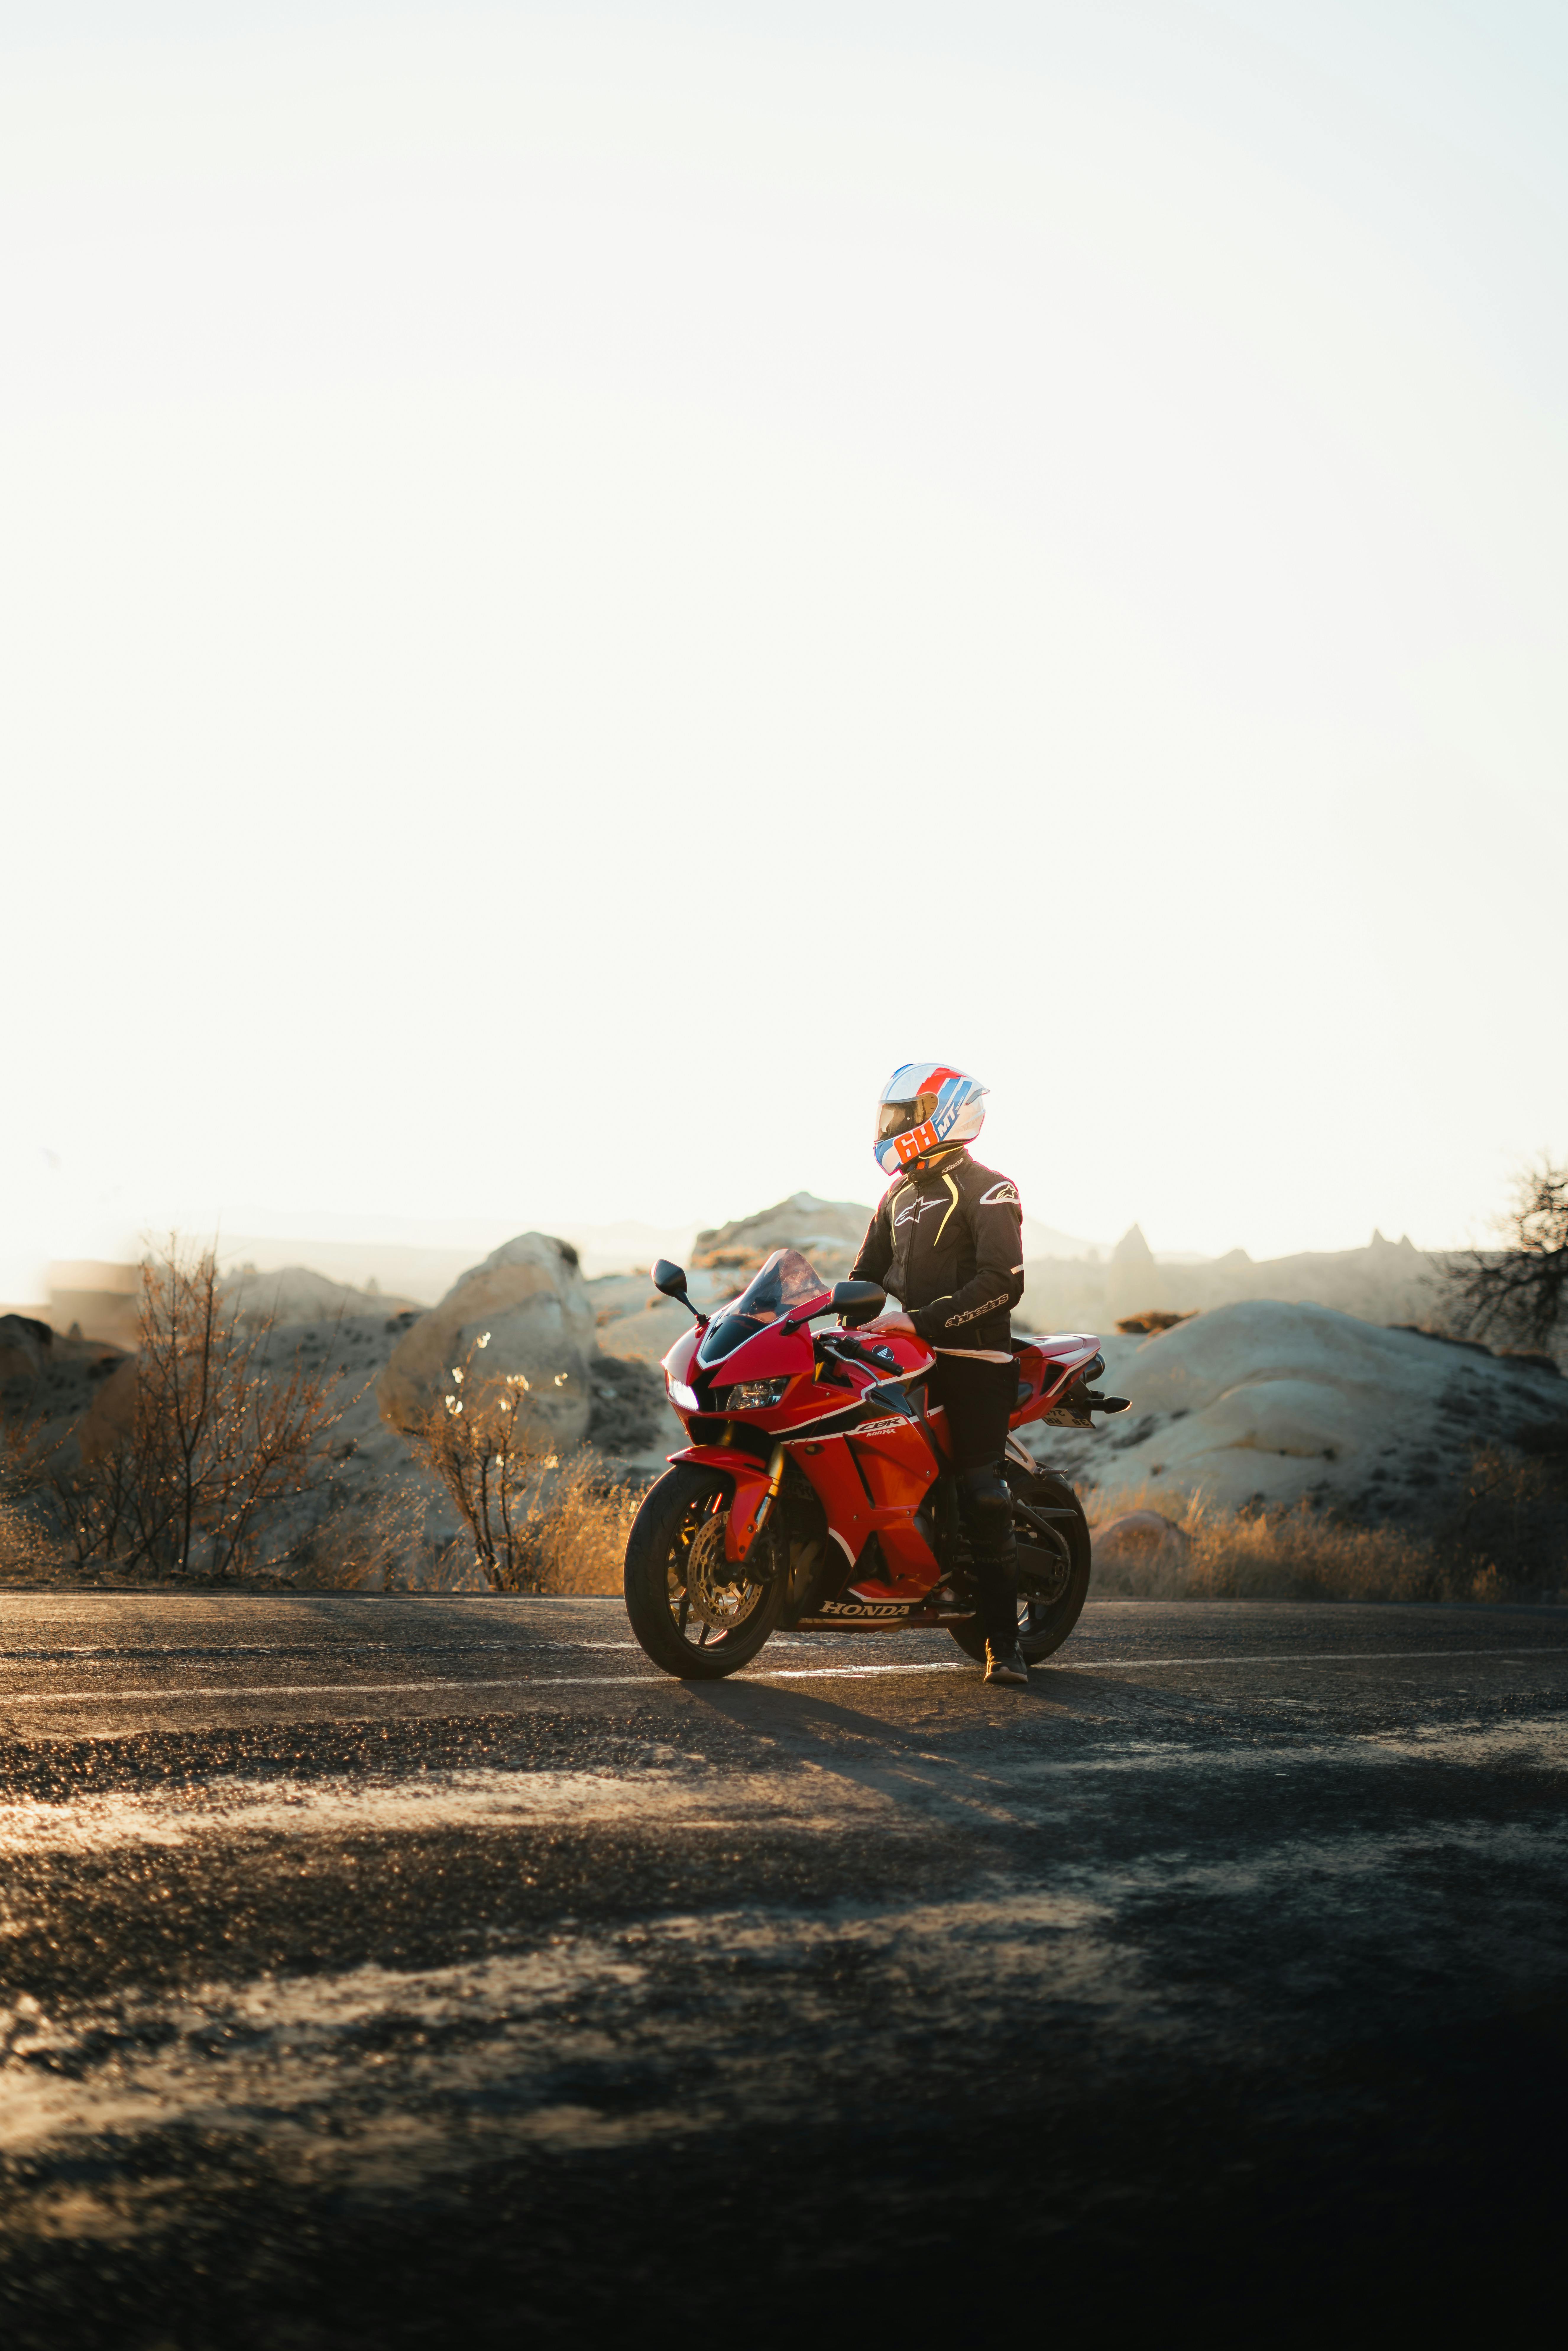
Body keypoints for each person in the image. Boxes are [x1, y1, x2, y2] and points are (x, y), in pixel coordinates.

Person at [848, 1063, 1031, 1687]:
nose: (893, 1126)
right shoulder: (896, 1195)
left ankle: (1004, 1646)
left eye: (905, 1114)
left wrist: (922, 1323)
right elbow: (866, 1279)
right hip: (907, 1356)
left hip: (975, 1363)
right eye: (891, 1115)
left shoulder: (989, 1189)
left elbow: (1004, 1282)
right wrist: (823, 1318)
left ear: (942, 1113)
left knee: (982, 1489)